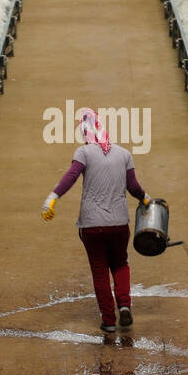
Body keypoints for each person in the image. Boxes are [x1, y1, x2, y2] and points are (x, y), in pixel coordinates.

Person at [42, 107, 150, 336]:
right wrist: (146, 198)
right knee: (120, 263)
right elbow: (133, 187)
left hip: (91, 225)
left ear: (84, 133)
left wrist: (53, 198)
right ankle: (124, 305)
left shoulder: (84, 153)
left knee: (100, 271)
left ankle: (109, 320)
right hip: (120, 223)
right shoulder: (124, 154)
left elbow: (70, 177)